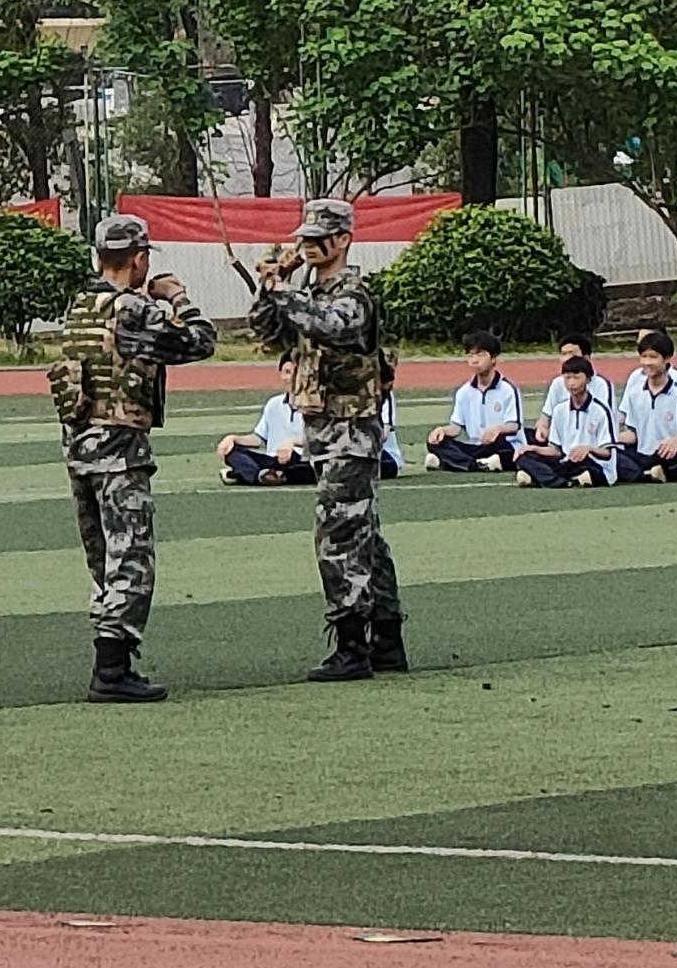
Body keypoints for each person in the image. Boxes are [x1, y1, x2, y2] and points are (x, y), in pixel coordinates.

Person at [47, 213, 219, 701]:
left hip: (79, 449)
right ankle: (113, 670)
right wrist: (176, 297)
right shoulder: (132, 311)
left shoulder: (81, 306)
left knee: (103, 558)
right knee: (131, 556)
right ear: (139, 258)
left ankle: (110, 662)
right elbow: (200, 341)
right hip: (119, 451)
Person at [247, 198, 404, 682]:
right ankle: (386, 636)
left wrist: (286, 291)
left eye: (319, 239)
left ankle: (351, 643)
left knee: (338, 535)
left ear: (343, 240)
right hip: (322, 430)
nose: (309, 246)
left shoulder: (351, 292)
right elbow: (264, 328)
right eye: (305, 239)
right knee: (363, 534)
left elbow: (332, 327)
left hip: (352, 428)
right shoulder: (309, 293)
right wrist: (271, 287)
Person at [513, 354, 619, 488]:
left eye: (576, 377)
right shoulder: (559, 410)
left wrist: (588, 449)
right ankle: (560, 481)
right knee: (524, 457)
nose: (572, 383)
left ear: (588, 379)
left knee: (587, 468)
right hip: (567, 461)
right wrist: (534, 448)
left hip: (592, 463)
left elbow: (608, 453)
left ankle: (544, 479)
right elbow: (556, 450)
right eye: (568, 378)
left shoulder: (601, 411)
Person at [616, 328, 677, 484]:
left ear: (667, 359)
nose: (647, 362)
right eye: (644, 357)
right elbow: (634, 433)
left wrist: (674, 442)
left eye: (653, 357)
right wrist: (611, 440)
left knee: (671, 460)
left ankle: (645, 474)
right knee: (613, 456)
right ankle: (649, 474)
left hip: (673, 455)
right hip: (645, 455)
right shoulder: (635, 394)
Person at [425, 334, 522, 473]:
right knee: (436, 443)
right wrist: (442, 431)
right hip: (475, 446)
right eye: (470, 356)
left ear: (493, 358)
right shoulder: (464, 392)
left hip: (500, 444)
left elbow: (514, 425)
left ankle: (448, 462)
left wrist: (497, 429)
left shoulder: (508, 389)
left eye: (480, 355)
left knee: (507, 450)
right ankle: (475, 464)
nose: (475, 360)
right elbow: (456, 428)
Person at [218, 369, 313, 485]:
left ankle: (243, 475)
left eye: (296, 373)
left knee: (310, 469)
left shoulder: (315, 406)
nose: (291, 378)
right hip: (272, 459)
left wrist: (294, 443)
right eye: (287, 372)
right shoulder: (274, 403)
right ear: (281, 375)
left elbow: (322, 440)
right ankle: (265, 475)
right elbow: (259, 438)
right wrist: (233, 439)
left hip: (300, 459)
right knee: (232, 452)